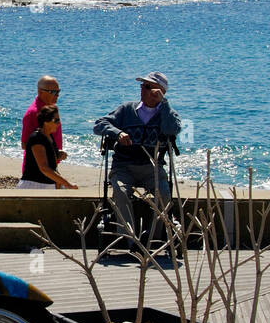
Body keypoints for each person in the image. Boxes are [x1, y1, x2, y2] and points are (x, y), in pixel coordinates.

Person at [93, 71, 182, 240]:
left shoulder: (168, 114)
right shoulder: (126, 109)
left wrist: (163, 103)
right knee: (120, 191)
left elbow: (172, 129)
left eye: (148, 86)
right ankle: (129, 239)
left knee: (163, 193)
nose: (142, 89)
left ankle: (153, 238)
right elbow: (99, 125)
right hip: (124, 167)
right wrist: (117, 133)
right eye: (142, 85)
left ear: (159, 91)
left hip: (152, 168)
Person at [18, 106, 77, 189]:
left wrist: (58, 154)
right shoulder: (37, 138)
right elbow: (44, 168)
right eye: (56, 120)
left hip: (46, 186)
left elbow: (50, 164)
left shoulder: (49, 137)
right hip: (33, 186)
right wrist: (67, 184)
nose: (59, 123)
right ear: (46, 121)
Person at [21, 75, 66, 177]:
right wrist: (53, 153)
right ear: (41, 92)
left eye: (58, 92)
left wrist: (57, 153)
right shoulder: (32, 113)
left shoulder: (52, 109)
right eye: (53, 92)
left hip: (51, 167)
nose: (57, 95)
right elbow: (25, 144)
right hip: (37, 170)